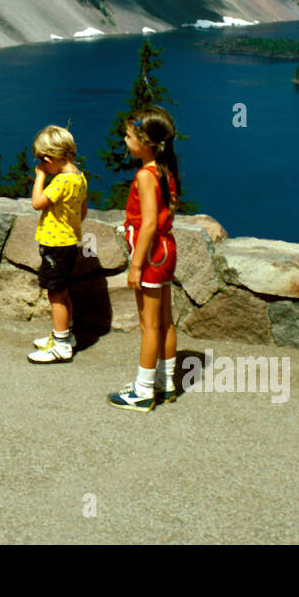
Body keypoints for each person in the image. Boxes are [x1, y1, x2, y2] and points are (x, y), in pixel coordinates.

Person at [108, 108, 182, 410]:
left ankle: (142, 391)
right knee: (164, 321)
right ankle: (165, 384)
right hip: (166, 250)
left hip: (150, 254)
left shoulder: (144, 175)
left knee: (148, 324)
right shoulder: (166, 170)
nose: (125, 140)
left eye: (128, 136)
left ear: (145, 141)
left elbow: (148, 222)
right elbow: (168, 213)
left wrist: (136, 265)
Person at [27, 125, 89, 364]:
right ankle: (65, 334)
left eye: (43, 163)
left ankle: (61, 345)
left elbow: (37, 203)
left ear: (48, 159)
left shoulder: (61, 182)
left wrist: (40, 177)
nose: (44, 167)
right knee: (63, 291)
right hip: (69, 242)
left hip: (55, 245)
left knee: (55, 292)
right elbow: (82, 211)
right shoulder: (79, 178)